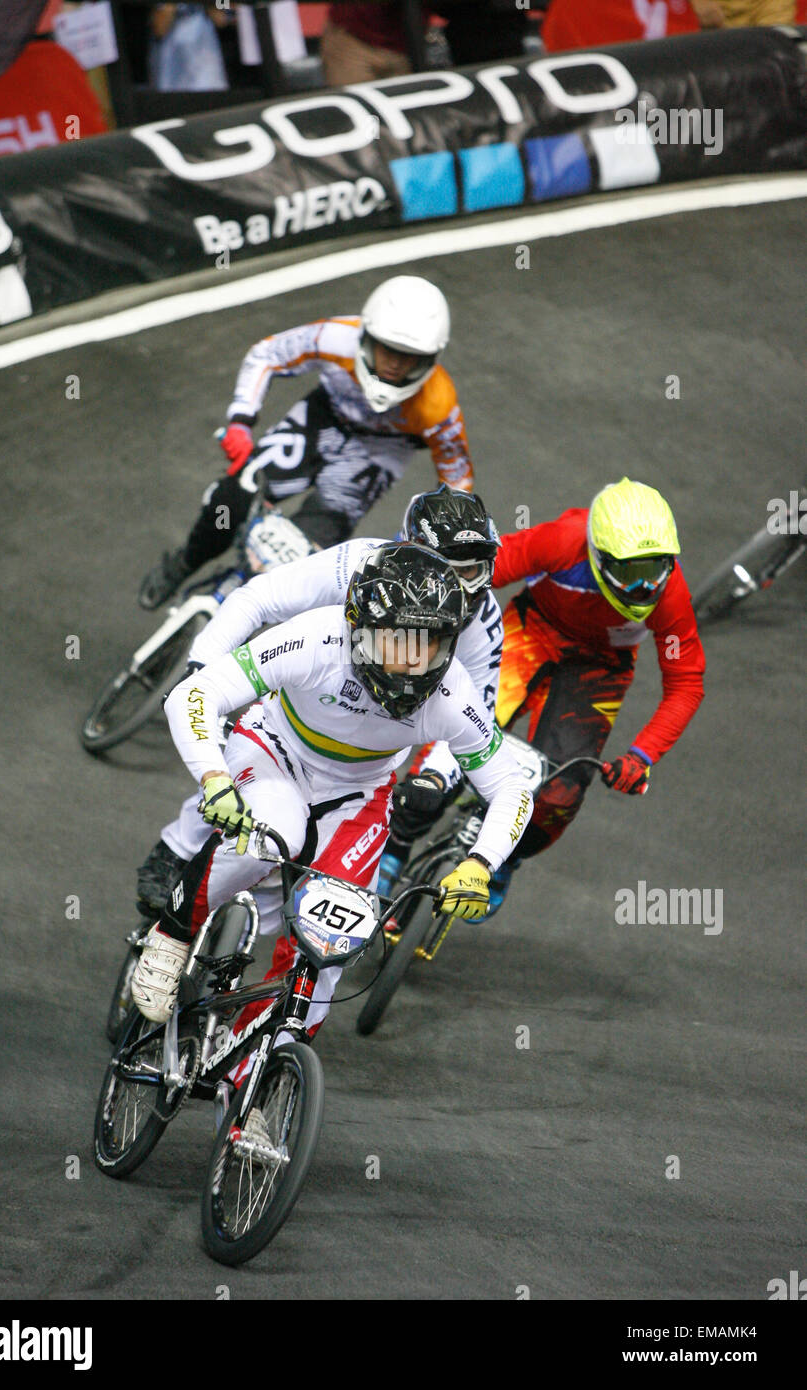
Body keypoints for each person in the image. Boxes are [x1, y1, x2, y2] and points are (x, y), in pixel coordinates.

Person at [130, 543, 535, 1034]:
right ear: (358, 627)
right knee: (271, 837)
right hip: (276, 753)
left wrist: (480, 862)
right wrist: (214, 779)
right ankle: (173, 933)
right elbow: (194, 695)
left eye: (428, 644)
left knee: (334, 939)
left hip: (359, 793)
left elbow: (512, 785)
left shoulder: (452, 692)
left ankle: (262, 1077)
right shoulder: (314, 638)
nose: (411, 663)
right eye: (397, 642)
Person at [135, 486, 503, 916]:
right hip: (312, 679)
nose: (455, 586)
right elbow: (259, 598)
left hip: (377, 742)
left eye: (472, 570)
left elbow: (479, 708)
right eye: (445, 566)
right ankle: (180, 845)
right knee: (242, 767)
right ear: (405, 548)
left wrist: (436, 777)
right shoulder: (358, 560)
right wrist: (202, 665)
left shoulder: (484, 623)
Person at [138, 275, 473, 609]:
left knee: (301, 561)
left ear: (430, 359)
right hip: (323, 418)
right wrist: (241, 422)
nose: (396, 364)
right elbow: (266, 355)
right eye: (388, 349)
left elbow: (457, 481)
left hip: (380, 450)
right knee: (232, 497)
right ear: (366, 335)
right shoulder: (335, 337)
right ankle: (186, 561)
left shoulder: (440, 406)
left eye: (410, 356)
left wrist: (438, 539)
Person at [486, 477, 705, 917]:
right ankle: (395, 847)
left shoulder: (671, 596)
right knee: (462, 732)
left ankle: (506, 858)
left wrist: (641, 756)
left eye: (655, 568)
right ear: (597, 555)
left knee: (559, 797)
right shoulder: (562, 540)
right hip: (533, 629)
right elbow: (486, 568)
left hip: (600, 665)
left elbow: (686, 685)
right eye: (629, 571)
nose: (645, 589)